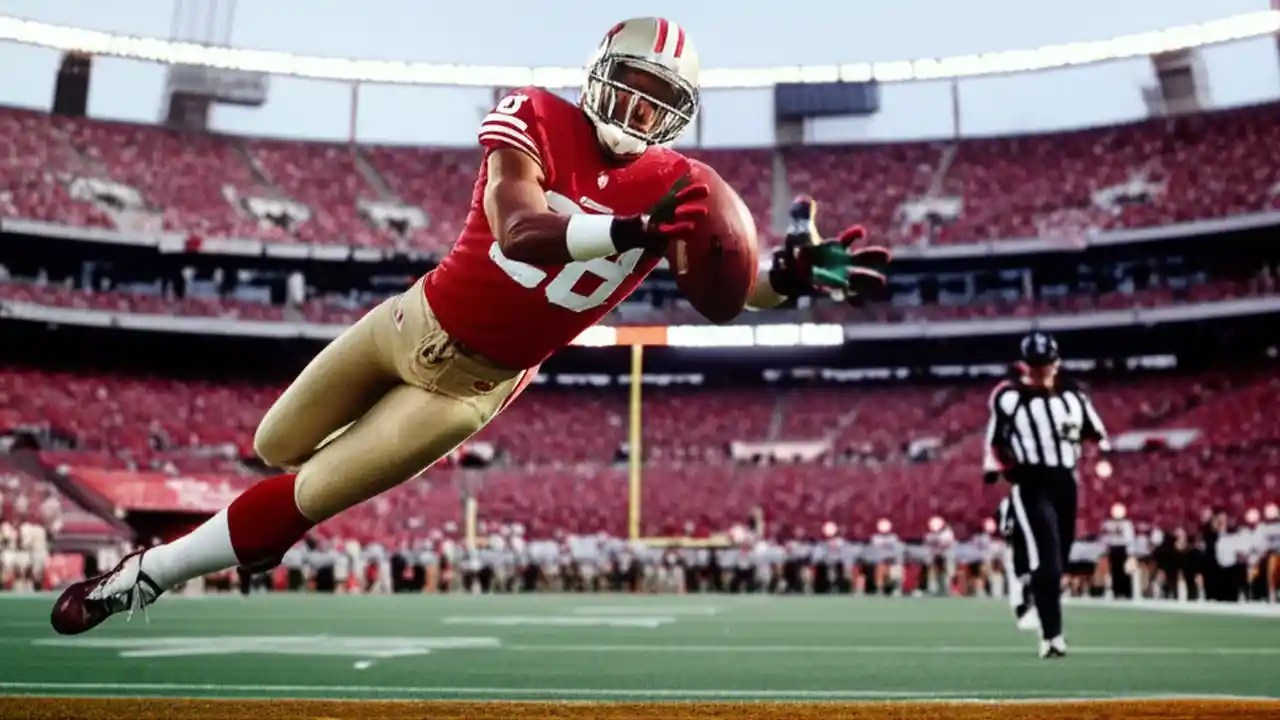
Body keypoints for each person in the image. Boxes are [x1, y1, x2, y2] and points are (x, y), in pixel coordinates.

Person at [50, 16, 890, 635]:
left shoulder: (684, 185)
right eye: (626, 85)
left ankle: (145, 578)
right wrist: (633, 231)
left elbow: (728, 287)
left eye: (656, 99)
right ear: (598, 74)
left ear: (680, 113)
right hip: (407, 322)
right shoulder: (535, 116)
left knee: (303, 495)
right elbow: (521, 223)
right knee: (275, 443)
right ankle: (251, 536)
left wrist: (785, 278)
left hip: (468, 390)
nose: (635, 109)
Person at [982, 332, 1111, 658]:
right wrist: (1006, 469)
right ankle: (1052, 636)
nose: (1041, 371)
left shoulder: (1073, 395)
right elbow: (996, 440)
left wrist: (1083, 436)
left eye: (1045, 364)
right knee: (1048, 556)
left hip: (1065, 481)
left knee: (1060, 556)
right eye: (1035, 365)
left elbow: (1095, 431)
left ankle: (1036, 591)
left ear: (1056, 362)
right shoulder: (1010, 396)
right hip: (1031, 481)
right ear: (1025, 365)